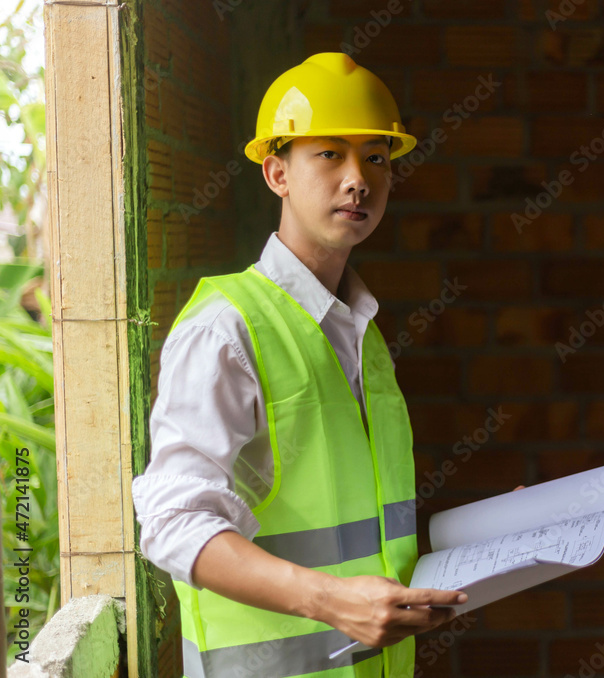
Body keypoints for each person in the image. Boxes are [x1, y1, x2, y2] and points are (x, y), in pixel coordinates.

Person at [132, 52, 520, 678]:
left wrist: (496, 533)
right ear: (276, 172)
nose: (358, 179)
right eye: (329, 154)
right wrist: (332, 602)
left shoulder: (358, 329)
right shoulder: (225, 329)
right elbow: (173, 524)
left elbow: (359, 531)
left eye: (376, 157)